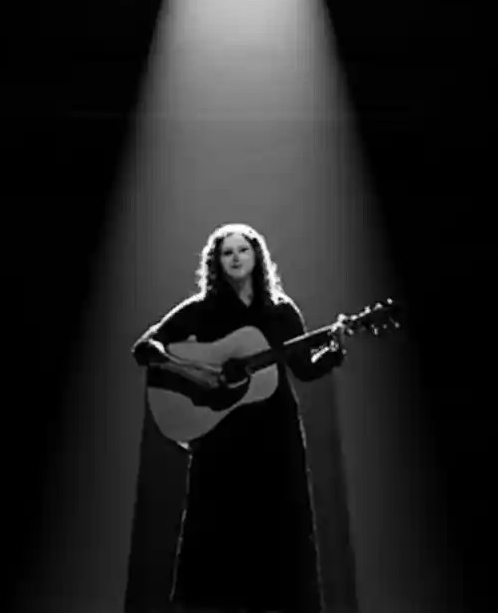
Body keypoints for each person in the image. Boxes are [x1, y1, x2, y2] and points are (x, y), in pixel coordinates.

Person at [132, 223, 347, 613]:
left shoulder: (282, 311)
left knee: (280, 520)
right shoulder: (200, 310)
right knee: (216, 522)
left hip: (275, 430)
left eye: (242, 250)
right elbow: (145, 348)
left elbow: (304, 370)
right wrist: (195, 372)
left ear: (257, 257)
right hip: (222, 432)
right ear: (216, 262)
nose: (235, 258)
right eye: (226, 252)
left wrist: (331, 354)